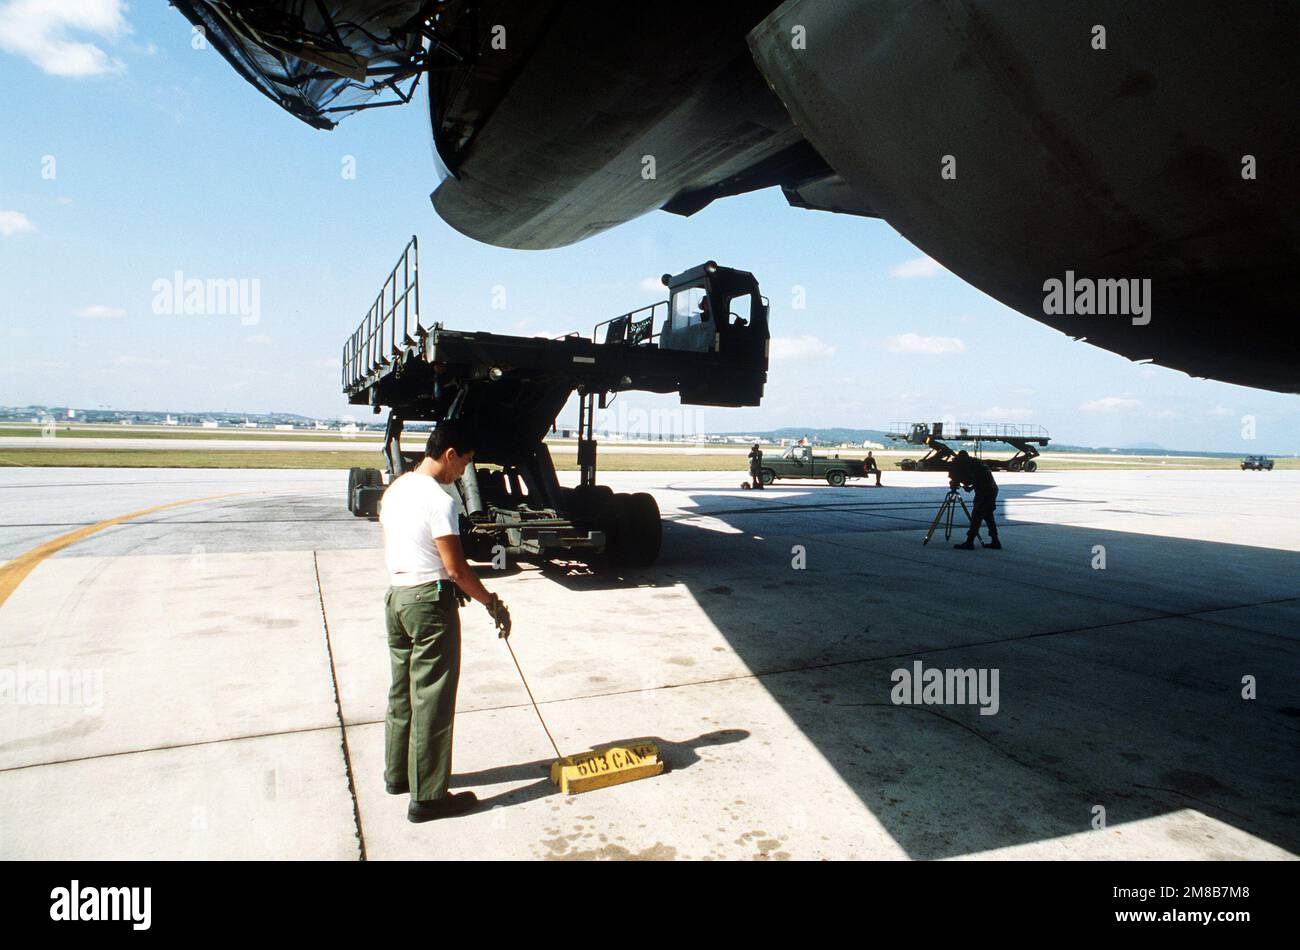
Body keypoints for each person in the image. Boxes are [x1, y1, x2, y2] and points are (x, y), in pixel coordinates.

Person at [378, 420, 512, 823]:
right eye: (464, 463)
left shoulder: (396, 488)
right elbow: (457, 570)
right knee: (433, 700)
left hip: (397, 596)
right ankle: (430, 797)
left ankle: (398, 775)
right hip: (428, 605)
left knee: (402, 691)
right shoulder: (440, 500)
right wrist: (491, 602)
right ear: (450, 454)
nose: (463, 473)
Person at [949, 450, 1001, 549]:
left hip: (985, 492)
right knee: (988, 516)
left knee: (976, 515)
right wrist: (971, 487)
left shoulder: (971, 466)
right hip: (991, 490)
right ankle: (995, 541)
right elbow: (977, 479)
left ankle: (969, 542)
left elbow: (971, 480)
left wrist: (959, 482)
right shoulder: (977, 463)